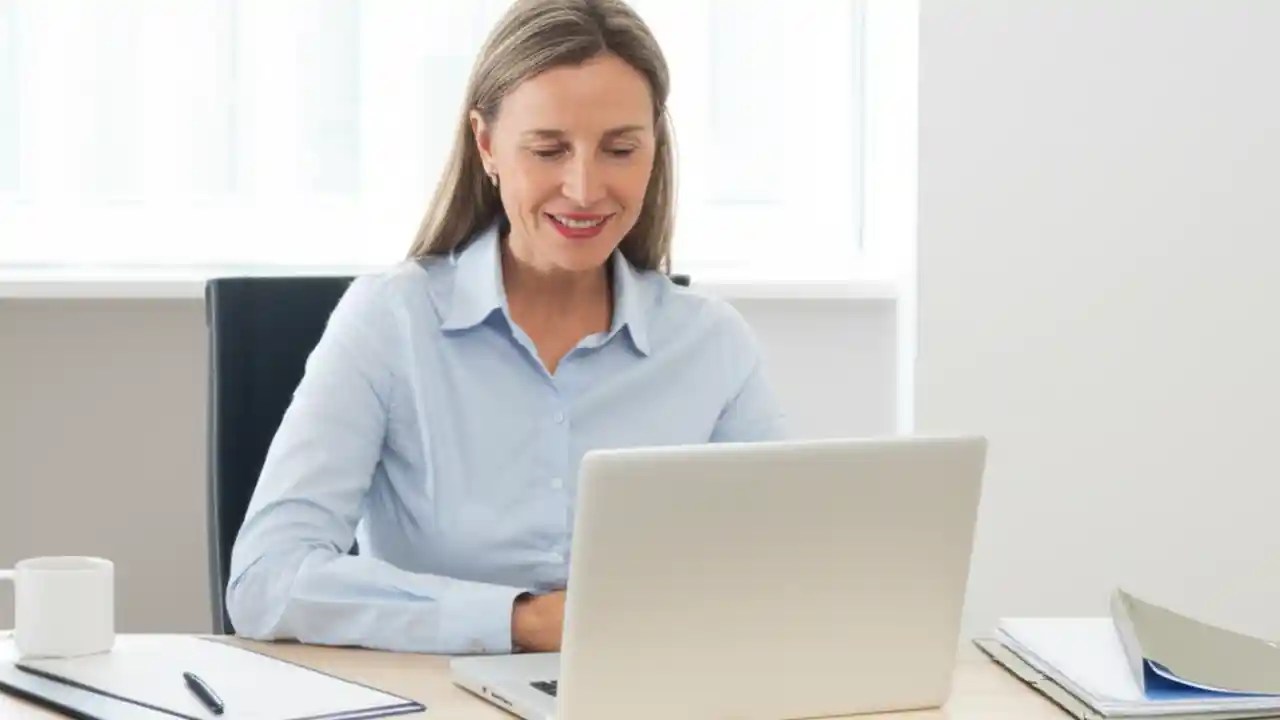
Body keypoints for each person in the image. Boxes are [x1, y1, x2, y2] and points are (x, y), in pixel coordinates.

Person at [226, 0, 785, 655]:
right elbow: (266, 580)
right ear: (486, 144)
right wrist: (519, 622)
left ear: (654, 149)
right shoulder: (392, 321)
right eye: (548, 149)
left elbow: (781, 566)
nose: (584, 188)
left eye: (620, 149)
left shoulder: (711, 344)